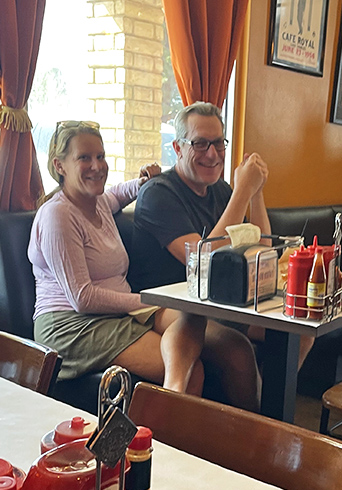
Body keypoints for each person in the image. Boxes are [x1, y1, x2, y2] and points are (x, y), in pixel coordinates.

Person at [131, 102, 313, 407]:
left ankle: (267, 413)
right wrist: (242, 191)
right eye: (200, 143)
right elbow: (200, 263)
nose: (212, 154)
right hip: (168, 311)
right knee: (237, 348)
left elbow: (262, 255)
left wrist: (256, 192)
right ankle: (254, 433)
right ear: (177, 147)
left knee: (301, 328)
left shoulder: (220, 191)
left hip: (220, 303)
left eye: (218, 143)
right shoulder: (158, 194)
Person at [28, 120, 204, 395]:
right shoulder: (57, 215)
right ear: (60, 166)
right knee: (189, 369)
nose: (97, 166)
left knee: (190, 317)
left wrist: (144, 182)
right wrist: (146, 301)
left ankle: (173, 406)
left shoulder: (97, 203)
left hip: (114, 313)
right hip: (71, 323)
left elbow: (118, 194)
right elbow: (82, 297)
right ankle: (163, 426)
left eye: (100, 156)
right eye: (84, 158)